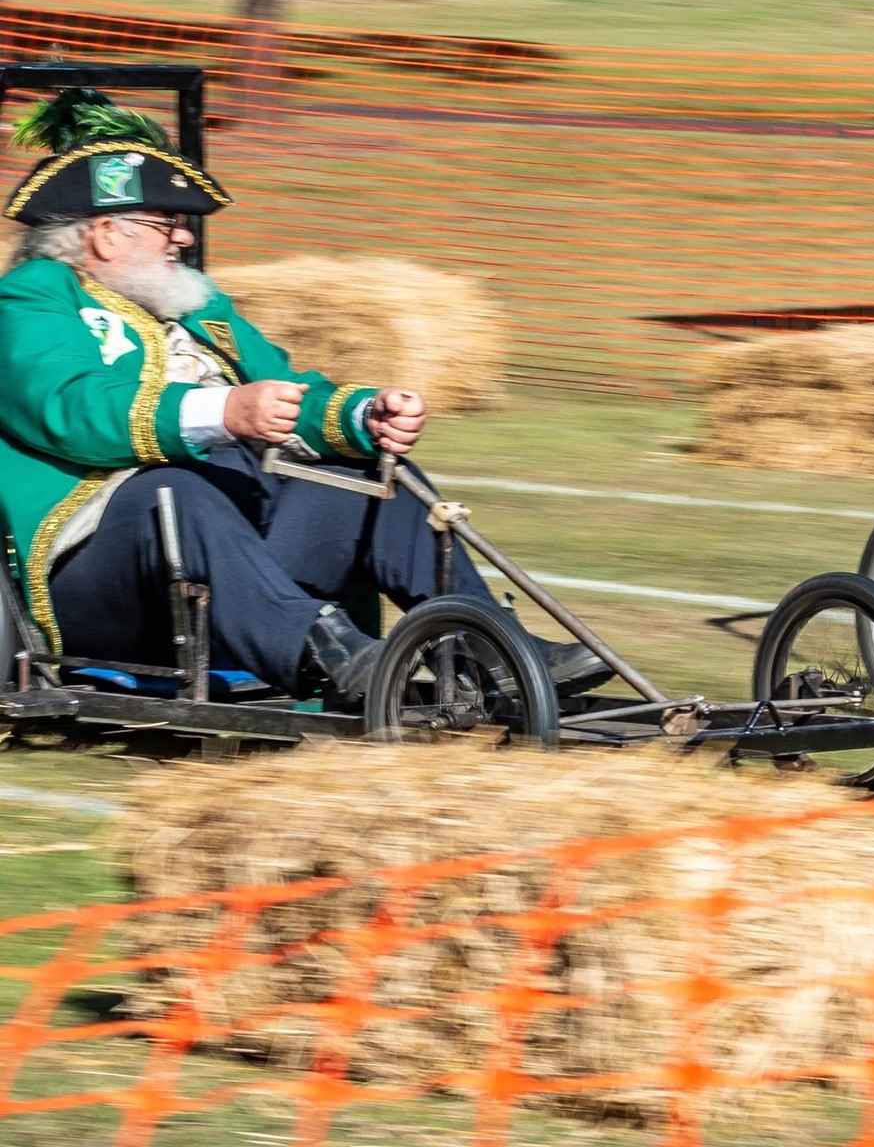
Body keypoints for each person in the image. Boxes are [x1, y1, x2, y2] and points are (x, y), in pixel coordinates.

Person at [0, 89, 606, 705]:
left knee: (364, 473)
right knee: (174, 491)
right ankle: (333, 657)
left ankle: (491, 654)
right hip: (101, 578)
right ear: (105, 234)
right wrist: (225, 411)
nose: (182, 238)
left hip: (233, 564)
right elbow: (71, 406)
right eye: (166, 223)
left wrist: (364, 413)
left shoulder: (197, 305)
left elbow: (290, 389)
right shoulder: (35, 296)